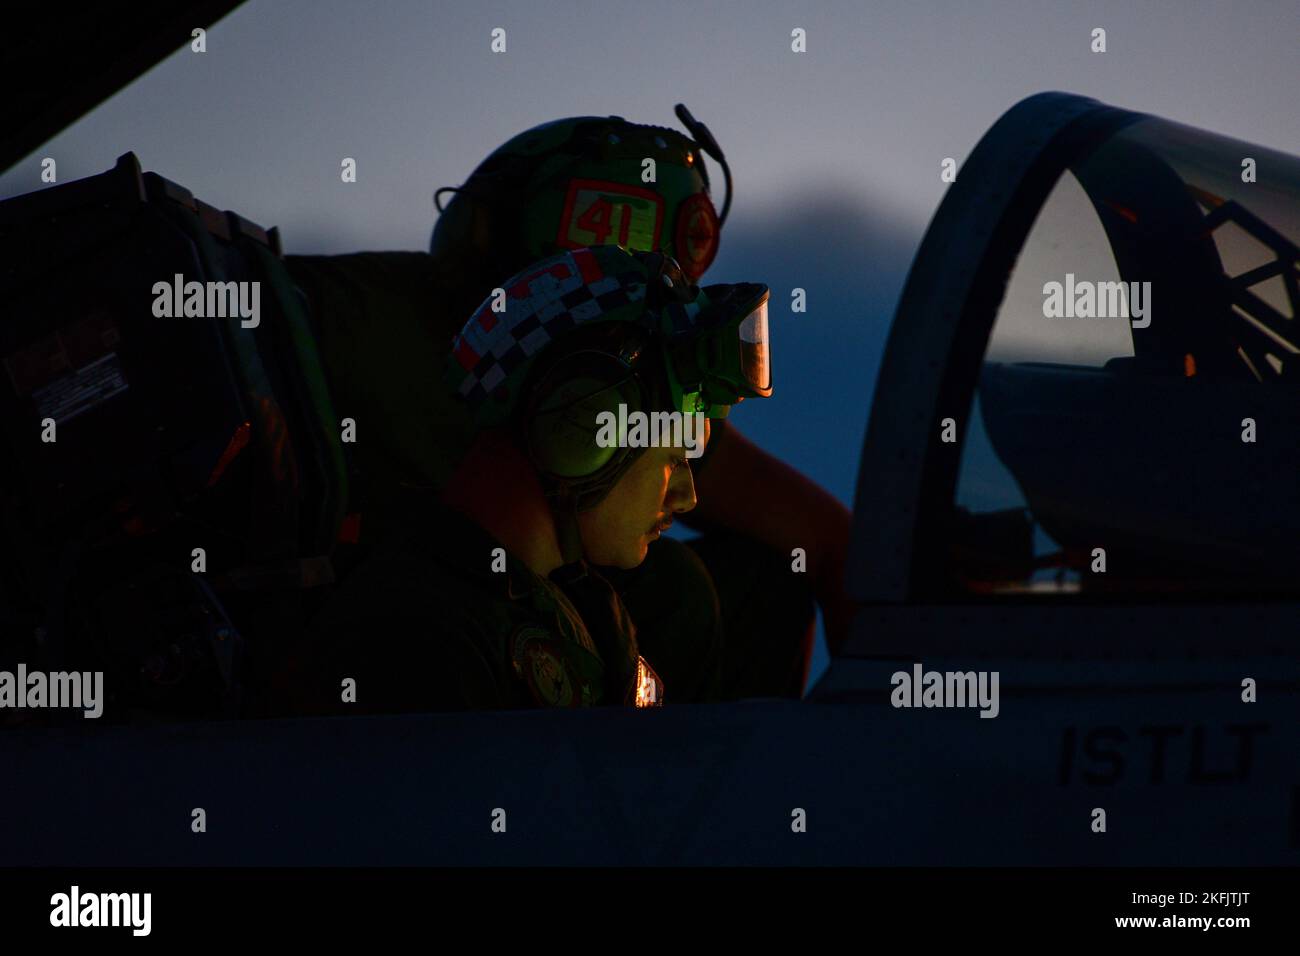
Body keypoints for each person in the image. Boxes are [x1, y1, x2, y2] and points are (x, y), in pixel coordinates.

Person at [283, 108, 851, 704]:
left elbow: (825, 539)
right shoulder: (349, 318)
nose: (685, 493)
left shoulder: (588, 587)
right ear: (581, 415)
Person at [289, 246, 777, 713]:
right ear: (583, 426)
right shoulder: (417, 641)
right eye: (673, 459)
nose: (687, 497)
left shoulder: (564, 605)